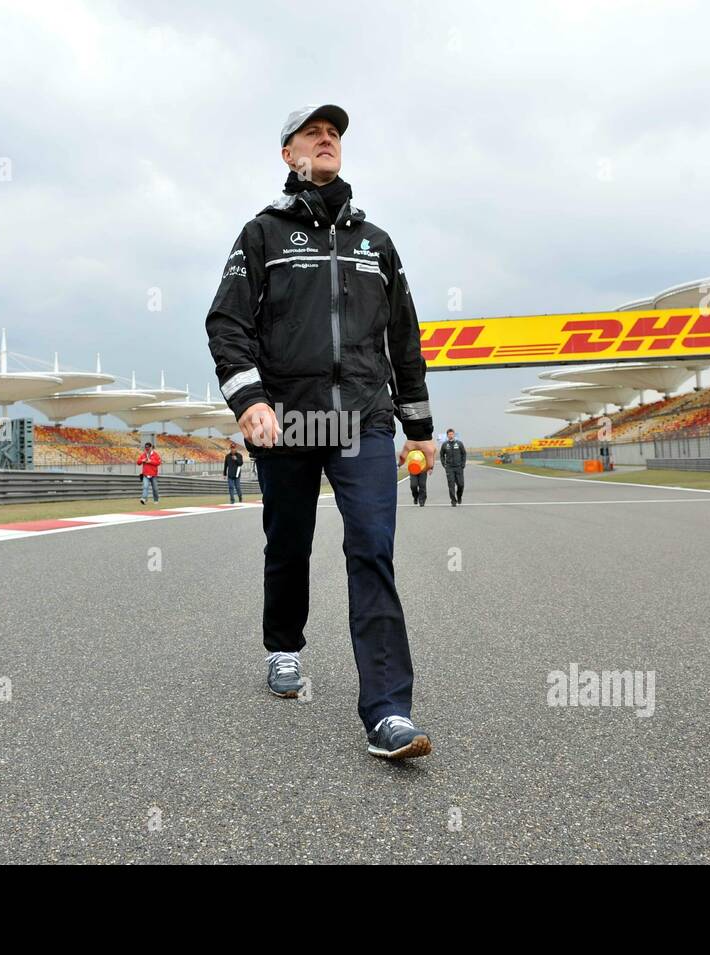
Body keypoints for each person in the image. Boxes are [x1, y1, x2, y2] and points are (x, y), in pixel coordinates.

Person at [206, 104, 437, 760]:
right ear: (289, 155)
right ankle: (284, 645)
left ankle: (388, 710)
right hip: (290, 416)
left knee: (371, 547)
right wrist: (250, 398)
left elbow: (405, 340)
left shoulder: (377, 244)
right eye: (313, 132)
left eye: (334, 132)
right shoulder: (262, 234)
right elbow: (226, 323)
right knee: (289, 542)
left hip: (364, 416)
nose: (327, 138)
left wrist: (417, 427)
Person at [440, 428, 467, 506]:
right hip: (449, 468)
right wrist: (443, 464)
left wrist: (463, 464)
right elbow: (441, 455)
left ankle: (459, 497)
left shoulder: (459, 443)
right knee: (451, 485)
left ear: (454, 435)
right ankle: (453, 501)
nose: (450, 435)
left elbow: (464, 454)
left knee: (461, 484)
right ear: (447, 435)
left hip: (459, 467)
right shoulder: (445, 444)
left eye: (452, 434)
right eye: (449, 434)